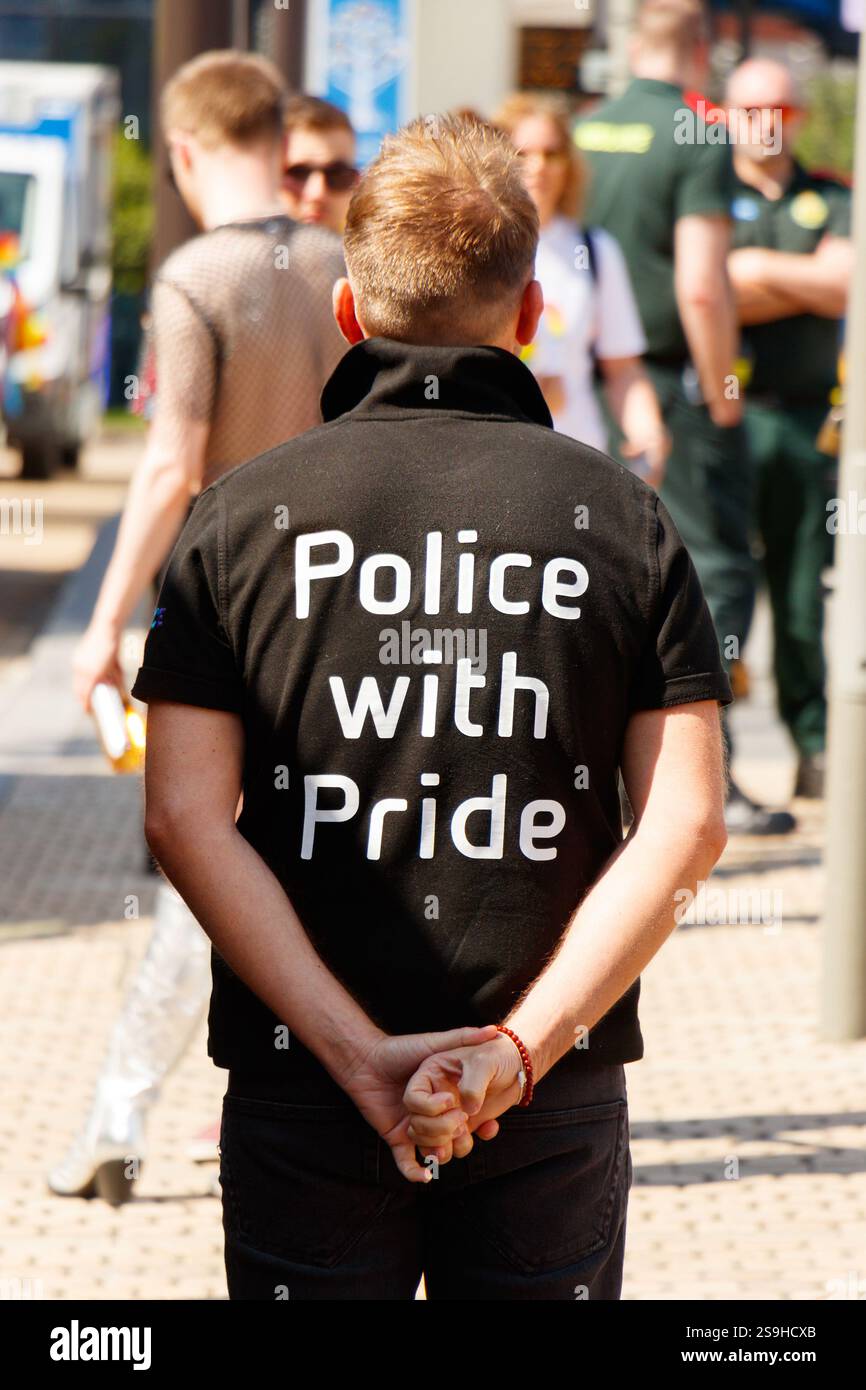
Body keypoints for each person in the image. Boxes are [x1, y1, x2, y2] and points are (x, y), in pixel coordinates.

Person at [133, 114, 730, 1300]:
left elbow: (183, 819)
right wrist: (516, 1050)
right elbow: (688, 822)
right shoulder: (623, 521)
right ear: (528, 316)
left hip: (300, 1082)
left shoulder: (238, 521)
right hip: (544, 1089)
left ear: (350, 315)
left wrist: (352, 1054)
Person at [50, 52, 348, 1203]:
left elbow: (171, 462)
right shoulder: (337, 265)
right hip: (335, 600)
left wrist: (102, 626)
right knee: (302, 860)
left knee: (206, 867)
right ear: (276, 140)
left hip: (224, 615)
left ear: (179, 152)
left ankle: (121, 1115)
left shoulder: (192, 280)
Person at [576, 0, 794, 835]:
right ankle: (709, 773)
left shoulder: (589, 127)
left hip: (588, 384)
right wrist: (724, 398)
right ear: (701, 50)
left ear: (634, 45)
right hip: (672, 387)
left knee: (600, 571)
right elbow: (703, 286)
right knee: (715, 571)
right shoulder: (698, 134)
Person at [725, 59, 852, 799]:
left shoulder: (830, 196)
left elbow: (844, 284)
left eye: (778, 108)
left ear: (797, 116)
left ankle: (812, 748)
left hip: (808, 422)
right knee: (721, 594)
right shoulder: (708, 192)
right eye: (750, 110)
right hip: (725, 415)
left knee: (802, 600)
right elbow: (702, 293)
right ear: (727, 119)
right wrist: (795, 282)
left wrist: (749, 272)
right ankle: (721, 757)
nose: (765, 123)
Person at [495, 92, 668, 486]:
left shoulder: (594, 249)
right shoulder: (482, 246)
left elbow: (623, 368)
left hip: (577, 464)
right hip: (499, 461)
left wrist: (648, 433)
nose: (539, 167)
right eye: (523, 153)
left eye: (552, 154)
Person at [281, 93, 359, 232]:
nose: (317, 193)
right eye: (298, 173)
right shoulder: (234, 250)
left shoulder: (372, 252)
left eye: (337, 175)